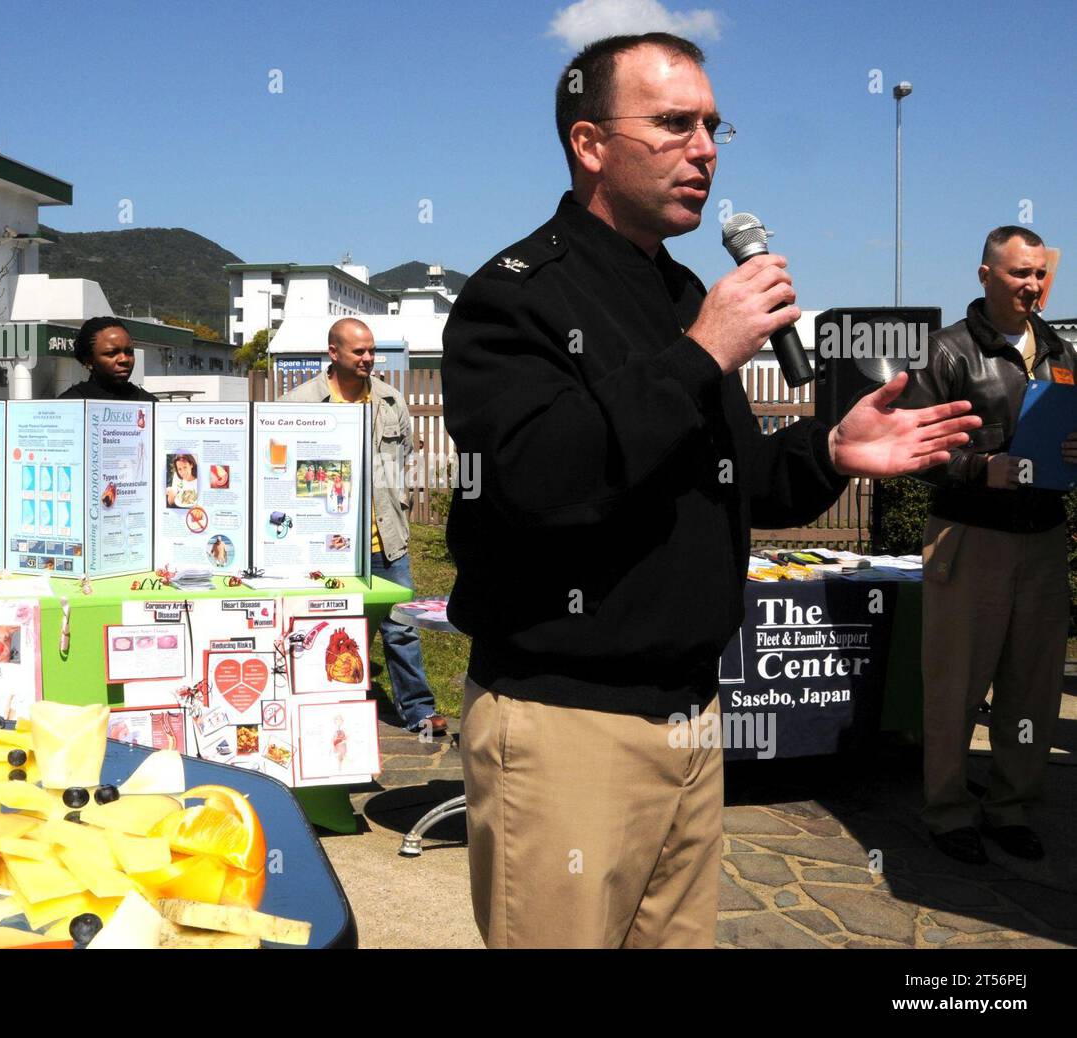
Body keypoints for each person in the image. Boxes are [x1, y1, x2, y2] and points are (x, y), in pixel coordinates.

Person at [441, 32, 980, 949]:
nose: (706, 149)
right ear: (589, 143)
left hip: (696, 721)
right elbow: (540, 479)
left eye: (713, 125)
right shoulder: (516, 297)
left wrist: (832, 452)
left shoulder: (681, 289)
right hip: (568, 727)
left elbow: (737, 474)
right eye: (673, 123)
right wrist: (701, 351)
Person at [899, 226, 1077, 864]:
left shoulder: (1061, 348)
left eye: (1038, 274)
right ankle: (948, 812)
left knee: (1032, 684)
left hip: (1043, 537)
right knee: (956, 683)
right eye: (1017, 274)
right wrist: (979, 466)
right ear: (984, 276)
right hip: (970, 538)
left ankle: (1008, 806)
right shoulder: (945, 352)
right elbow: (915, 450)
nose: (1031, 285)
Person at [283, 318, 448, 736]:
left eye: (372, 350)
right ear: (333, 353)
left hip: (386, 538)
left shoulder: (391, 400)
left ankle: (418, 710)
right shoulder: (299, 404)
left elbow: (407, 458)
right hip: (327, 547)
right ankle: (323, 712)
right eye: (359, 351)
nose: (369, 358)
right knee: (325, 627)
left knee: (402, 628)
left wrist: (402, 502)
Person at [58, 317, 158, 402]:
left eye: (129, 352)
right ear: (88, 361)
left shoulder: (150, 404)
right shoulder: (69, 405)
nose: (124, 359)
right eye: (111, 353)